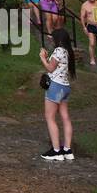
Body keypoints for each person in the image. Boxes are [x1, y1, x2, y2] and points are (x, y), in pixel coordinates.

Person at [39, 27, 76, 161]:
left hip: (56, 87)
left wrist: (43, 57)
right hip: (65, 87)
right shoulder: (67, 51)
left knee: (50, 117)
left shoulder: (58, 50)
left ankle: (56, 151)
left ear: (58, 39)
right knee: (65, 117)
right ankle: (67, 149)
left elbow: (50, 68)